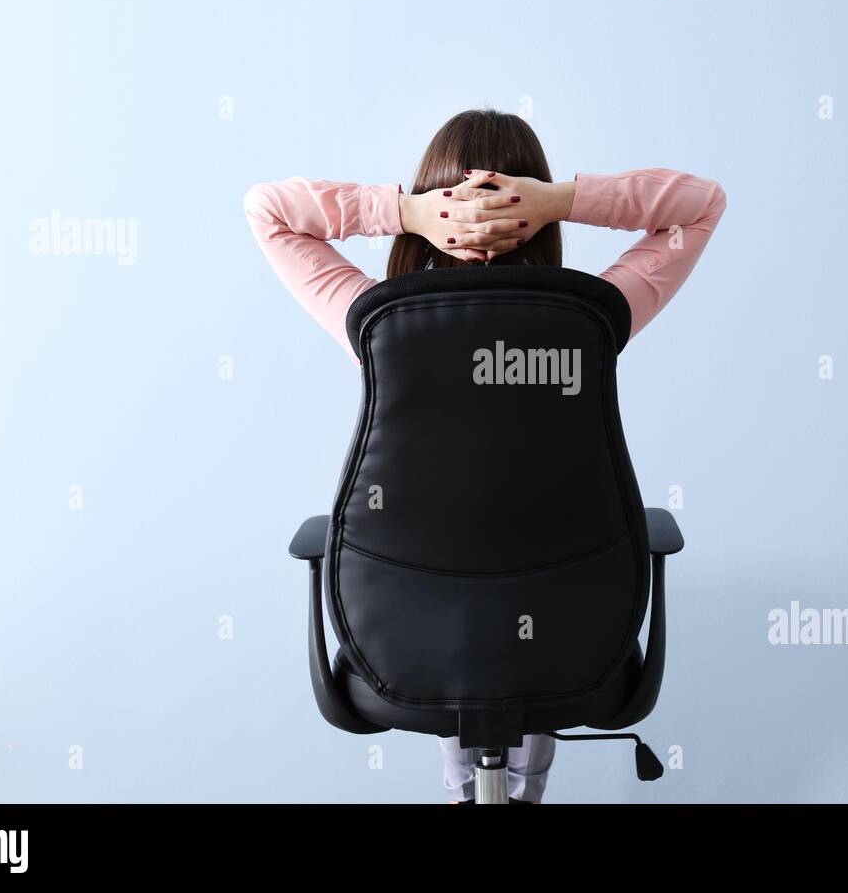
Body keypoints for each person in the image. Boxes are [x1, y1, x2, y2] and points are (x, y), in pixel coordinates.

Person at [244, 108, 727, 803]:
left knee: (455, 584)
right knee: (523, 578)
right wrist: (561, 201)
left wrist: (406, 212)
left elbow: (268, 211)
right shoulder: (592, 319)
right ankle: (522, 788)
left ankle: (464, 787)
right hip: (578, 646)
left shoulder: (380, 325)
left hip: (404, 652)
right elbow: (701, 205)